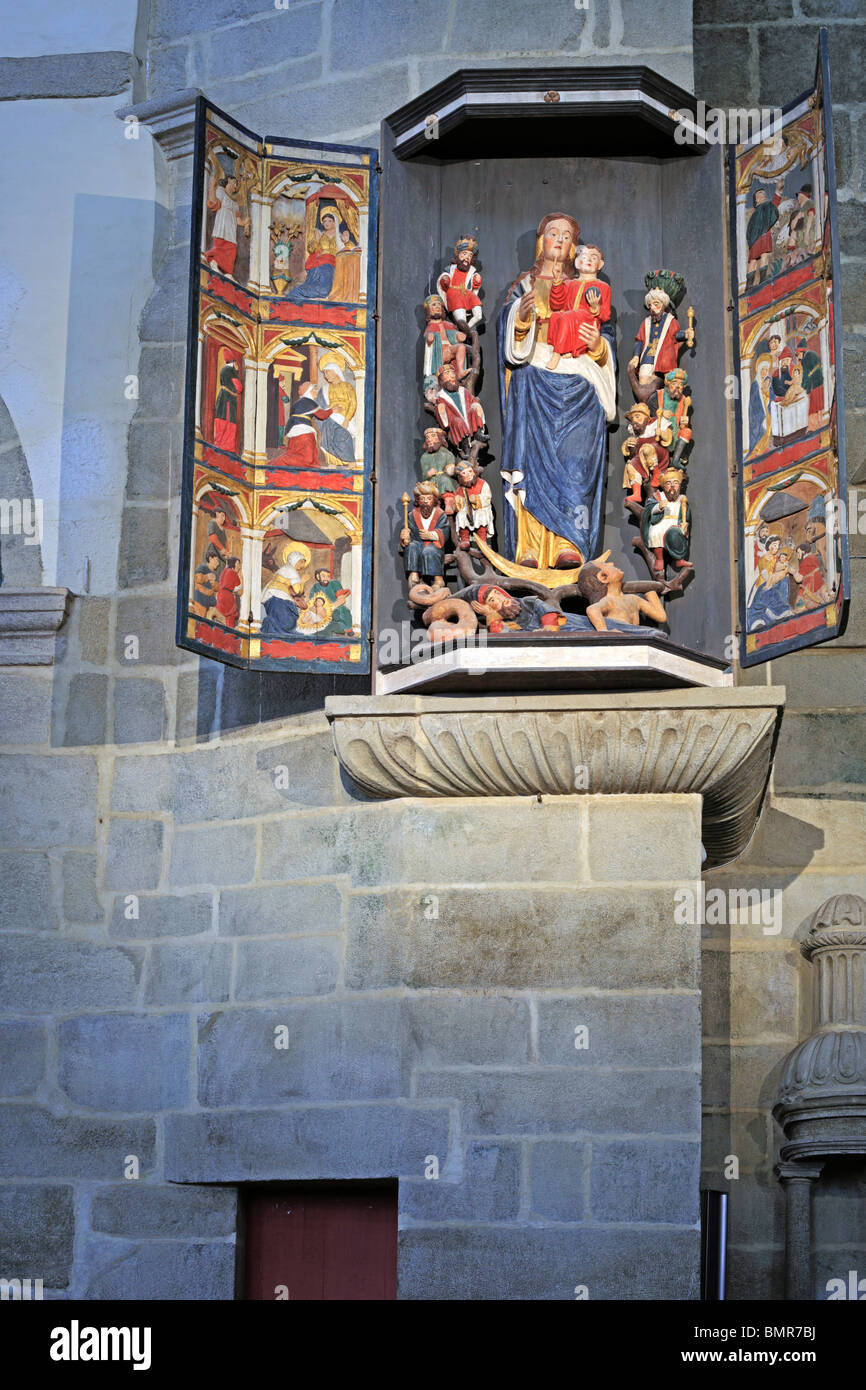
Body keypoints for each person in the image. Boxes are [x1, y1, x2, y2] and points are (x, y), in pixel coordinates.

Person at [498, 211, 616, 569]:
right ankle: (531, 547)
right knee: (533, 464)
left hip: (579, 382)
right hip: (535, 375)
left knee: (575, 463)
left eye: (567, 235)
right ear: (541, 241)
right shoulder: (524, 285)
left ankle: (571, 543)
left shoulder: (591, 289)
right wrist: (521, 315)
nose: (560, 240)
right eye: (553, 233)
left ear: (576, 248)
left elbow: (605, 340)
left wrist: (597, 345)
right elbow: (511, 342)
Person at [546, 244, 611, 371]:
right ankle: (562, 347)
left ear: (601, 264)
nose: (588, 260)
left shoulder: (603, 287)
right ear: (577, 262)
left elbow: (605, 315)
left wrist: (595, 307)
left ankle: (557, 354)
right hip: (569, 318)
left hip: (586, 322)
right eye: (585, 256)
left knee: (569, 316)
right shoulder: (569, 283)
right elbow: (556, 304)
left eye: (593, 258)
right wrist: (557, 281)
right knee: (555, 316)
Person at [399, 481, 449, 587]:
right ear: (418, 500)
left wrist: (432, 535)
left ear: (434, 500)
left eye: (429, 498)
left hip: (434, 545)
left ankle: (438, 580)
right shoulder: (412, 515)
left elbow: (445, 531)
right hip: (417, 543)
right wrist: (405, 536)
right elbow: (409, 533)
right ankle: (414, 574)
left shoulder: (440, 514)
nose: (425, 501)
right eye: (422, 499)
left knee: (429, 551)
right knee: (411, 546)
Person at [286, 208, 339, 303]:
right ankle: (296, 297)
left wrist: (347, 241)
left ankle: (302, 297)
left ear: (335, 222)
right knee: (313, 288)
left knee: (325, 290)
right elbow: (311, 249)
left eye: (329, 221)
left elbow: (348, 247)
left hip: (332, 265)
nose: (326, 223)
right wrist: (317, 239)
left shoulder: (339, 236)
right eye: (324, 221)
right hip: (319, 266)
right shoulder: (320, 235)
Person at [433, 363, 486, 453]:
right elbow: (441, 415)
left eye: (452, 373)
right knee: (458, 421)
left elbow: (472, 400)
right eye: (447, 374)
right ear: (441, 379)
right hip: (456, 422)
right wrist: (441, 409)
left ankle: (478, 433)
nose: (451, 376)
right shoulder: (441, 396)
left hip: (468, 417)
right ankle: (465, 445)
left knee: (475, 408)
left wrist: (476, 405)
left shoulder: (463, 390)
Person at [205, 172, 249, 277]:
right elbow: (214, 203)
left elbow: (239, 221)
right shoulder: (221, 191)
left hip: (231, 229)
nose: (236, 186)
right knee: (220, 245)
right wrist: (211, 186)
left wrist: (245, 222)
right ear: (228, 181)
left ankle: (228, 272)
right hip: (222, 223)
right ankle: (213, 261)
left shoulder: (235, 203)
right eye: (234, 183)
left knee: (231, 249)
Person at [260, 545, 310, 636]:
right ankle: (281, 631)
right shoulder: (291, 571)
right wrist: (302, 581)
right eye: (300, 562)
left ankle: (273, 628)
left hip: (274, 595)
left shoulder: (285, 569)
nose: (302, 566)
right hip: (278, 597)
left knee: (283, 616)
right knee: (285, 618)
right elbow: (297, 591)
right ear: (294, 561)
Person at [436, 236, 482, 328]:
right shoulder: (451, 269)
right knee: (461, 320)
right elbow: (444, 279)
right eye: (464, 254)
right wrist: (445, 279)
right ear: (458, 255)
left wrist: (477, 280)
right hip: (454, 294)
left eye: (470, 255)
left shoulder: (472, 271)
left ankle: (465, 330)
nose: (467, 258)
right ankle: (464, 332)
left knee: (478, 315)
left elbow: (474, 284)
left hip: (467, 294)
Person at [453, 460, 494, 549]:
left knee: (482, 515)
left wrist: (477, 499)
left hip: (480, 508)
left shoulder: (482, 484)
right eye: (464, 473)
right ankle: (464, 539)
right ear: (460, 477)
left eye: (470, 471)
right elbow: (457, 502)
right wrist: (458, 500)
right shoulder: (461, 488)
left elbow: (487, 497)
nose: (468, 475)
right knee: (461, 515)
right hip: (467, 510)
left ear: (474, 471)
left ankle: (482, 539)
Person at [213, 360, 241, 453]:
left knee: (220, 419)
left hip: (222, 397)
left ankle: (218, 443)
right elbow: (239, 387)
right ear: (234, 362)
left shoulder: (223, 369)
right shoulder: (231, 370)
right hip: (229, 399)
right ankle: (226, 446)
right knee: (228, 421)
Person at [214, 556, 242, 628]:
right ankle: (229, 634)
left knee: (221, 614)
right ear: (234, 564)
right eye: (238, 563)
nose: (239, 566)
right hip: (228, 596)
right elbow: (239, 587)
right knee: (230, 615)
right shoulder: (233, 572)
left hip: (221, 594)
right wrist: (241, 576)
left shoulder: (224, 571)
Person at [192, 551, 221, 618]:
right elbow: (197, 579)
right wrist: (207, 577)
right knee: (199, 619)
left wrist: (214, 584)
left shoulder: (215, 574)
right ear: (210, 559)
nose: (218, 563)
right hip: (200, 600)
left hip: (209, 602)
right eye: (216, 560)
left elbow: (218, 588)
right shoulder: (203, 567)